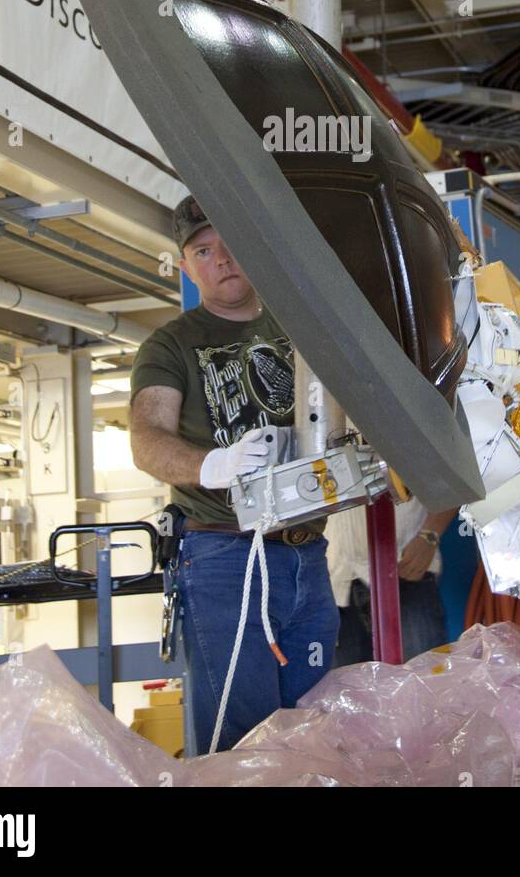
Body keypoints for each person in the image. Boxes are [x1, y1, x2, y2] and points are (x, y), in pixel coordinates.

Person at [129, 195, 339, 753]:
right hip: (226, 561)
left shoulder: (300, 326)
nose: (221, 259)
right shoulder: (171, 344)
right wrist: (210, 465)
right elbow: (146, 439)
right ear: (185, 266)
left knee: (315, 730)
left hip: (307, 556)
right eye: (203, 250)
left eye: (229, 245)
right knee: (245, 743)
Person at [327, 497, 457, 664]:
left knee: (423, 683)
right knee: (342, 689)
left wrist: (430, 535)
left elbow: (457, 477)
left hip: (403, 569)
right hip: (331, 583)